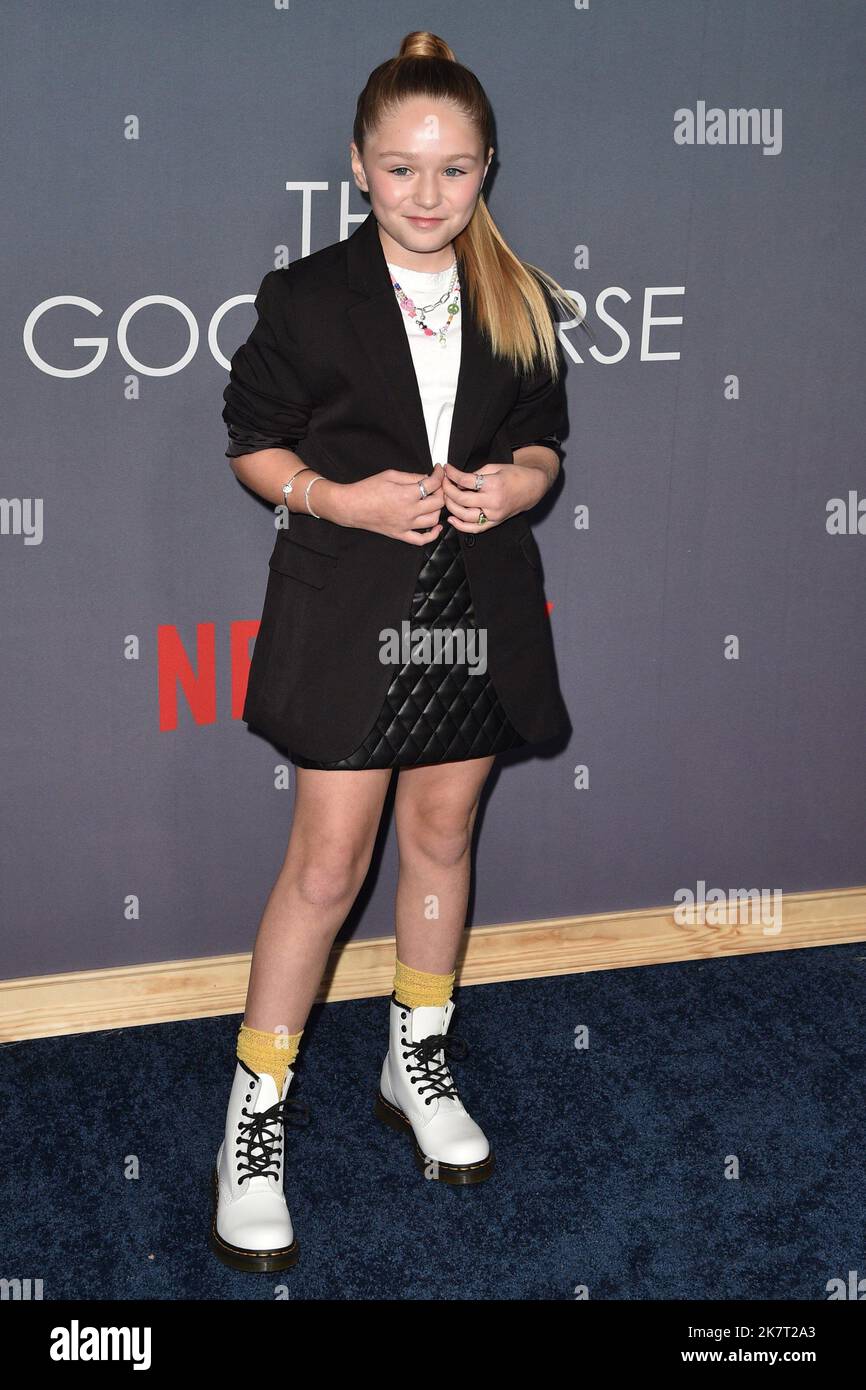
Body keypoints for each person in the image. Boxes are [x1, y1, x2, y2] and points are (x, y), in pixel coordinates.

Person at [210, 29, 585, 1273]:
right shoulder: (307, 296)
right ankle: (252, 1119)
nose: (427, 196)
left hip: (471, 604)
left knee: (440, 838)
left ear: (488, 170)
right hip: (345, 606)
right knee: (326, 863)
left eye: (455, 170)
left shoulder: (517, 294)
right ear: (358, 167)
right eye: (401, 169)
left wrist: (518, 490)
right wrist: (336, 498)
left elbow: (542, 439)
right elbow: (251, 441)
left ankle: (412, 1053)